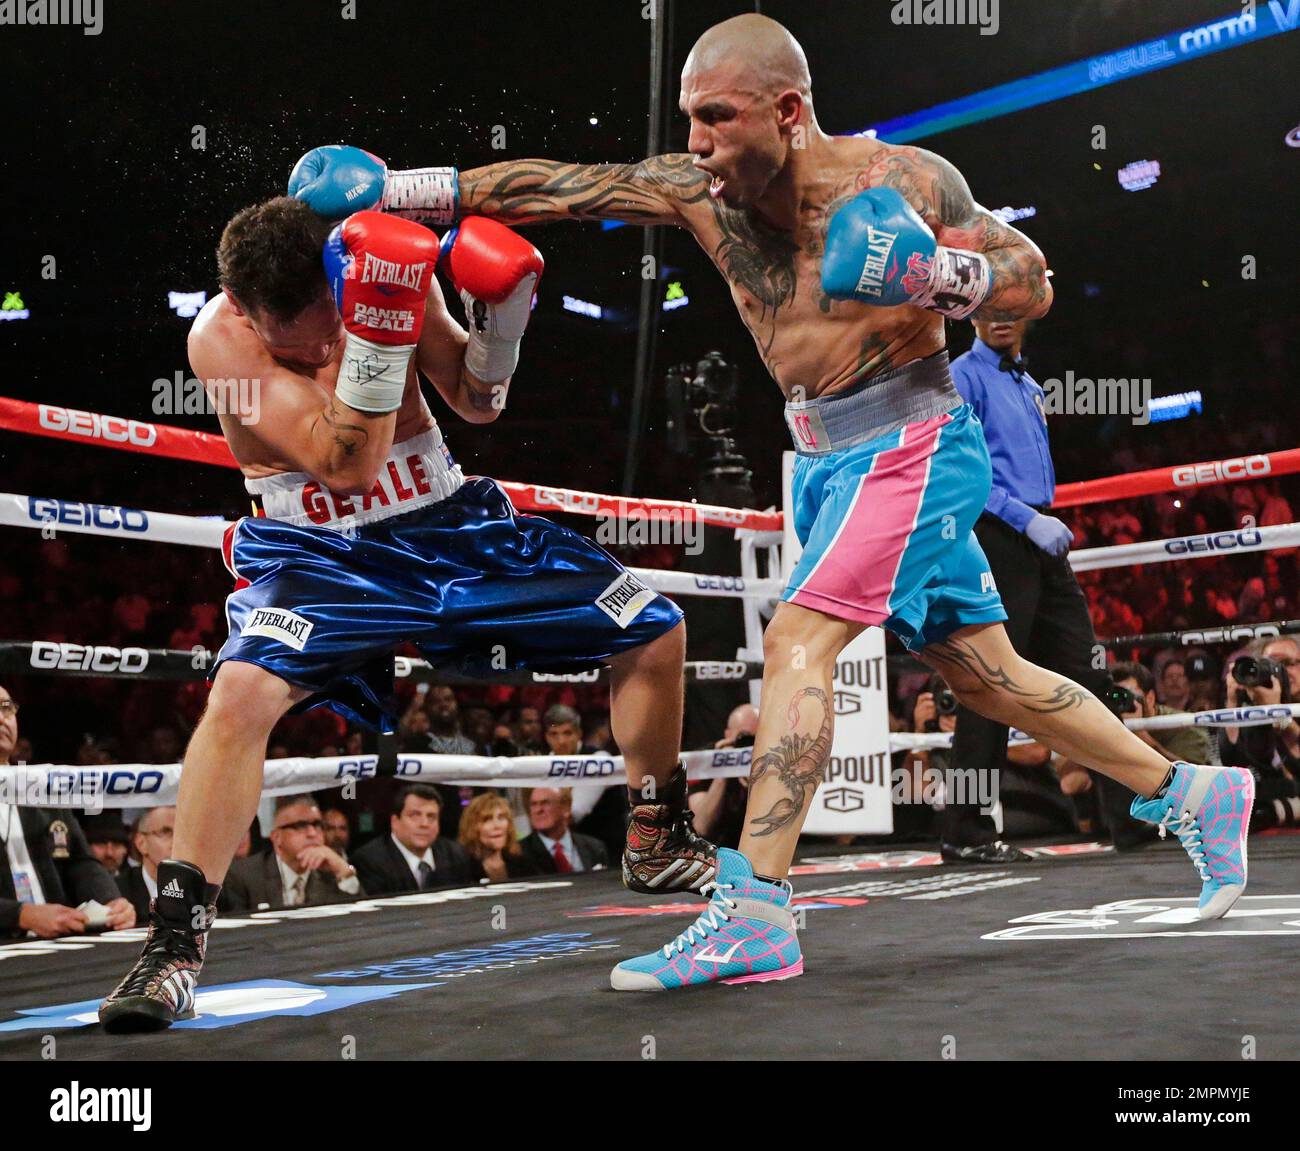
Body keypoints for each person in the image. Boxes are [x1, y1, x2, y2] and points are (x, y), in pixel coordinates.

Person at [294, 13, 1254, 991]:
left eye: (716, 118)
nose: (697, 142)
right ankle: (1189, 792)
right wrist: (399, 191)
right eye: (687, 119)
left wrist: (932, 274)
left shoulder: (902, 183)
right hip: (828, 463)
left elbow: (1028, 281)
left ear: (788, 112)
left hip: (917, 441)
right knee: (983, 672)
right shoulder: (697, 189)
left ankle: (754, 908)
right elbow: (558, 185)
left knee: (797, 641)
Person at [99, 196, 712, 1033]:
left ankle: (656, 831)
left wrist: (502, 318)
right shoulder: (220, 339)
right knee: (238, 695)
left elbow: (478, 399)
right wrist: (379, 335)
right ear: (245, 309)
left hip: (447, 521)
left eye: (327, 325)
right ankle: (172, 949)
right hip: (319, 550)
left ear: (336, 273)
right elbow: (341, 464)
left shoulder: (386, 266)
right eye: (300, 344)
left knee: (651, 622)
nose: (319, 347)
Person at [940, 315, 1114, 863]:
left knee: (1087, 672)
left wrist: (1037, 520)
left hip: (1040, 539)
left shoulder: (1027, 383)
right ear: (971, 312)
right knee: (989, 680)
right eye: (990, 305)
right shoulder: (962, 376)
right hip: (996, 534)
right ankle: (966, 831)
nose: (1001, 318)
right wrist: (1021, 517)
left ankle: (1132, 818)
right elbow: (958, 467)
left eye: (1013, 307)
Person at [0, 684, 136, 941]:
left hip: (56, 944)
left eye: (6, 708)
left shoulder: (42, 787)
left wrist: (110, 900)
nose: (1, 719)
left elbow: (80, 861)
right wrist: (20, 914)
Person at [220, 795, 362, 912]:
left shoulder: (331, 870)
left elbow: (360, 923)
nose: (312, 833)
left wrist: (344, 870)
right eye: (300, 826)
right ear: (277, 838)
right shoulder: (243, 876)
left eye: (317, 825)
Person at [350, 784, 480, 893]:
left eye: (431, 816)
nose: (424, 823)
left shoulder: (456, 855)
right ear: (395, 822)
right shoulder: (369, 861)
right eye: (415, 815)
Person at [519, 788, 608, 874]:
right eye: (533, 804)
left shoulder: (594, 847)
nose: (538, 810)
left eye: (545, 803)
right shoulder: (519, 853)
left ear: (566, 808)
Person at [458, 792, 539, 881]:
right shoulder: (462, 869)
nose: (497, 825)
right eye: (487, 820)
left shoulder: (524, 864)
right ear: (472, 827)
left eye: (501, 818)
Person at [117, 806, 177, 921]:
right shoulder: (119, 892)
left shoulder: (205, 888)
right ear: (141, 843)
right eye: (165, 832)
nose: (176, 842)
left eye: (181, 833)